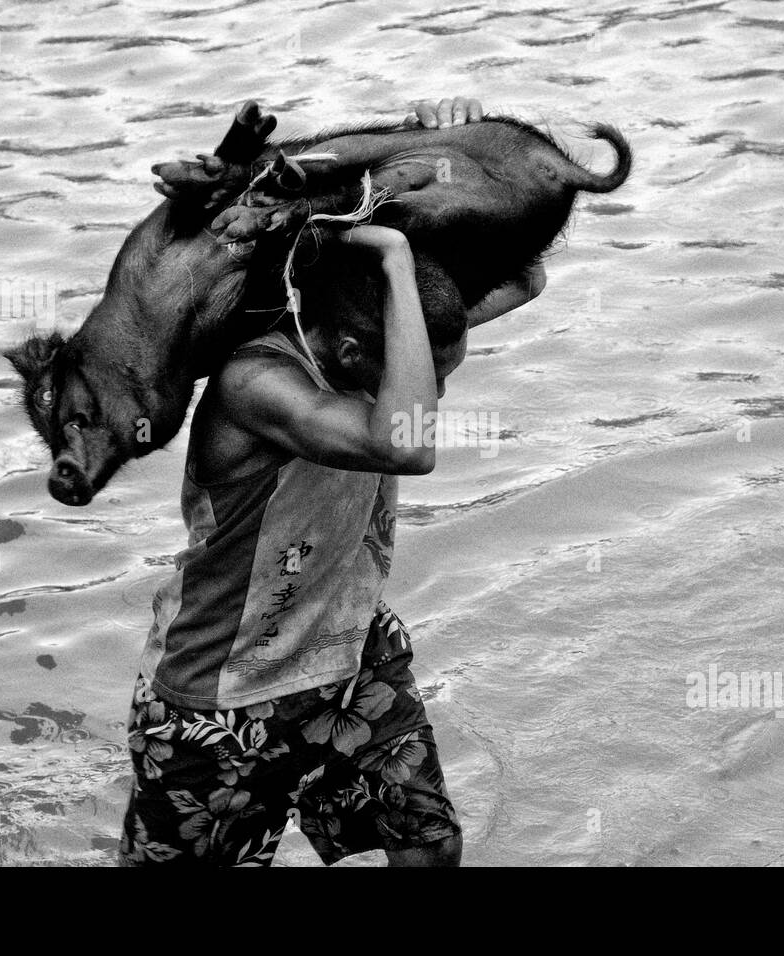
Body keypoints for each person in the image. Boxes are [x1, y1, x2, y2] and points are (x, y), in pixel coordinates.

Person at [120, 98, 545, 867]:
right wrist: (389, 260)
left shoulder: (381, 337)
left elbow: (528, 275)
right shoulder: (259, 385)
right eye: (422, 380)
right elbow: (405, 445)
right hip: (223, 696)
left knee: (429, 848)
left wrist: (448, 154)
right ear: (349, 353)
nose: (430, 397)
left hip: (348, 654)